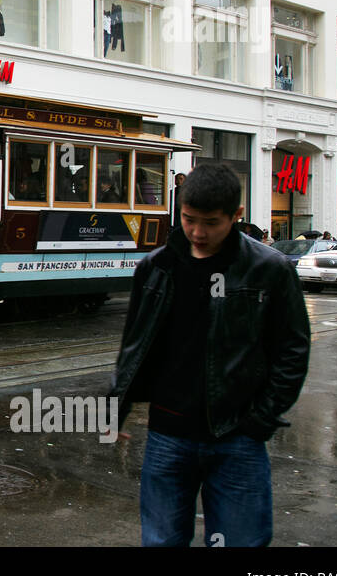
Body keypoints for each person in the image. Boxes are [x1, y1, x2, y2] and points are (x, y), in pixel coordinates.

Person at [110, 162, 310, 547]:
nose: (198, 232)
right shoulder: (156, 267)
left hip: (237, 437)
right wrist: (114, 409)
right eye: (188, 219)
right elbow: (133, 347)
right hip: (167, 437)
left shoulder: (269, 269)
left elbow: (293, 350)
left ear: (236, 216)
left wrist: (260, 420)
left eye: (211, 222)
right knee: (161, 542)